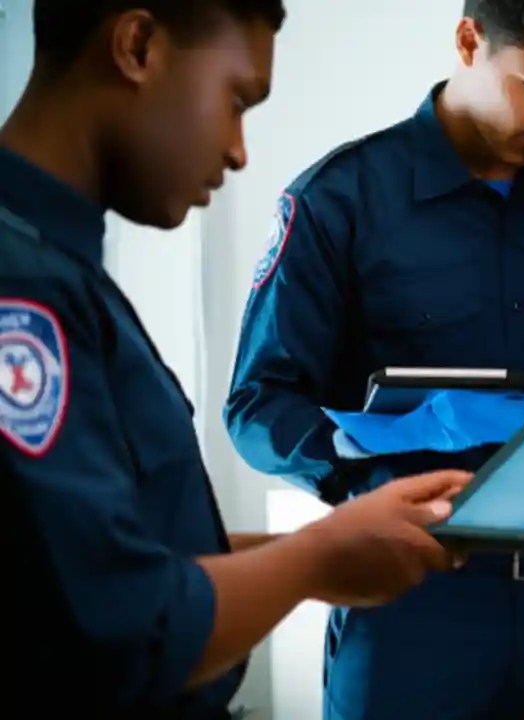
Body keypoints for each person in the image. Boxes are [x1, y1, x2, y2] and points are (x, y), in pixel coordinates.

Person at [221, 0, 524, 717]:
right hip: (406, 600)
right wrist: (371, 434)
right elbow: (257, 407)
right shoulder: (340, 201)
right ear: (469, 40)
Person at [0, 1, 475, 716]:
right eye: (236, 100)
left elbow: (101, 559)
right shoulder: (23, 292)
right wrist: (317, 557)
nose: (238, 150)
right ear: (137, 47)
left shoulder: (63, 268)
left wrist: (338, 543)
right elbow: (123, 630)